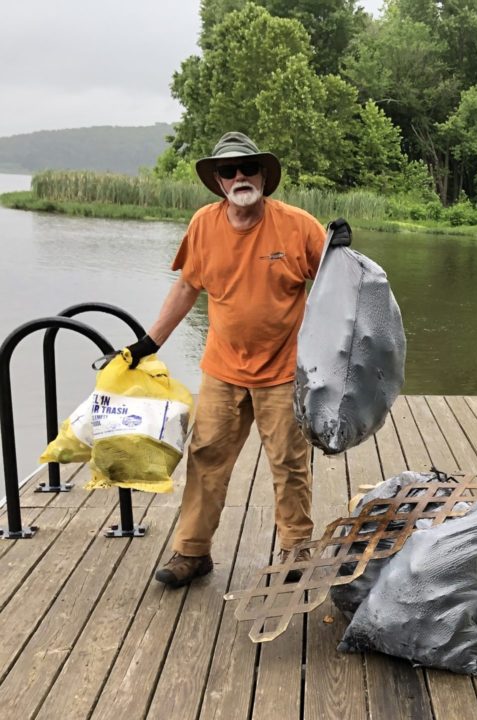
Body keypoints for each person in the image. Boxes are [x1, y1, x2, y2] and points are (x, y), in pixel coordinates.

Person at [124, 132, 327, 588]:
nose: (239, 177)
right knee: (206, 458)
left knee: (290, 463)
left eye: (247, 168)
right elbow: (185, 287)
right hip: (222, 369)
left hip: (283, 371)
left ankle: (296, 551)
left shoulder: (297, 225)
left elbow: (340, 282)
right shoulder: (203, 224)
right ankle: (192, 553)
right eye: (228, 171)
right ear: (218, 181)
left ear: (263, 175)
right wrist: (148, 342)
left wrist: (340, 246)